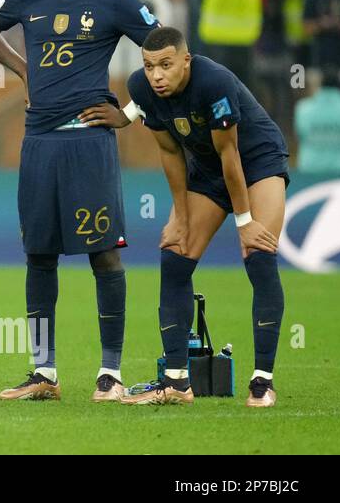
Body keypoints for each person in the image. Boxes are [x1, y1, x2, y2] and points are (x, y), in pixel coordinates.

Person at [0, 0, 159, 403]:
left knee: (103, 256)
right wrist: (23, 70)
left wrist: (132, 110)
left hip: (88, 142)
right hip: (39, 142)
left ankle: (110, 373)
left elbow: (166, 50)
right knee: (39, 255)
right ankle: (43, 374)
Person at [121, 26, 289, 408]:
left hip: (257, 160)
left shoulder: (215, 82)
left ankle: (262, 381)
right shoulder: (142, 88)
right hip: (208, 171)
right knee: (174, 255)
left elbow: (231, 156)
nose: (156, 75)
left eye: (165, 65)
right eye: (149, 66)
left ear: (186, 60)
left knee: (259, 255)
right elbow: (169, 152)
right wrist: (180, 215)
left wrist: (244, 223)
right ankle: (177, 383)